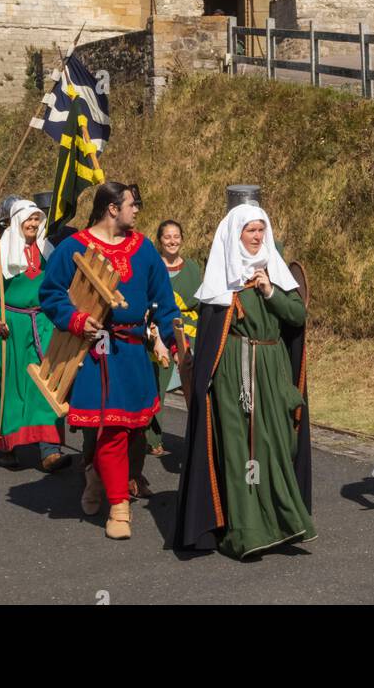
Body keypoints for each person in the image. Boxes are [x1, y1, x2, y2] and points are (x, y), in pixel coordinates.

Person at [174, 202, 315, 560]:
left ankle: (281, 523)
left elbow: (297, 316)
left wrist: (270, 292)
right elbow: (210, 334)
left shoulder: (275, 271)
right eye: (250, 231)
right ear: (235, 235)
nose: (256, 237)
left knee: (276, 446)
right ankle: (245, 533)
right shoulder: (223, 278)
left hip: (272, 369)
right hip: (233, 372)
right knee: (240, 452)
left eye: (261, 230)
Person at [39, 181, 177, 540]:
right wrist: (77, 319)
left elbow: (164, 301)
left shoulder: (144, 249)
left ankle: (96, 475)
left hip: (133, 350)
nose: (137, 210)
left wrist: (176, 342)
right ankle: (119, 505)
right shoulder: (73, 248)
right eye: (132, 204)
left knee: (133, 429)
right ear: (112, 208)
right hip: (95, 350)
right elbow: (51, 293)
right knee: (110, 428)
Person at [0, 199, 69, 472]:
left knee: (46, 386)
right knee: (11, 387)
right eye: (28, 219)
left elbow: (60, 288)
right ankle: (8, 446)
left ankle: (49, 450)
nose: (32, 224)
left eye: (36, 219)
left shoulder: (49, 252)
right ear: (16, 222)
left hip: (43, 323)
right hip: (11, 327)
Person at [145, 219, 200, 457]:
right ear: (159, 240)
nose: (172, 241)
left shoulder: (194, 269)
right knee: (157, 386)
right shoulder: (152, 267)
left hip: (191, 332)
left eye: (176, 236)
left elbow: (204, 302)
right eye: (167, 236)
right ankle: (152, 437)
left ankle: (199, 437)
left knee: (195, 387)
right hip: (159, 330)